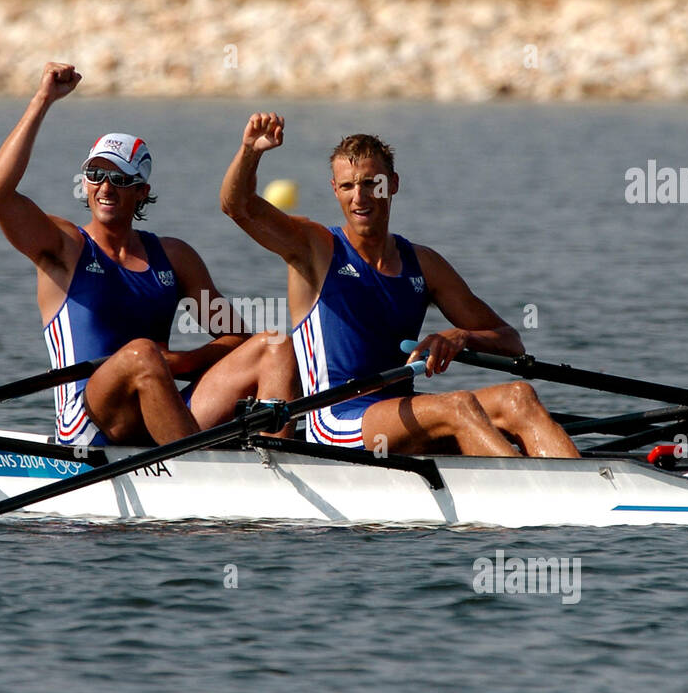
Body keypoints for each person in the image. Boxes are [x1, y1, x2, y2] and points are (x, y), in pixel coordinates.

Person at [219, 112, 580, 457]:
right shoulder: (313, 247)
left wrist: (462, 336)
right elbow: (237, 207)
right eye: (347, 186)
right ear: (335, 190)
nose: (358, 197)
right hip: (336, 420)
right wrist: (250, 152)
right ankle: (528, 492)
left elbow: (510, 341)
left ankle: (584, 492)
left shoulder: (423, 264)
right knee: (457, 406)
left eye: (369, 183)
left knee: (519, 396)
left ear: (392, 183)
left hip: (400, 415)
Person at [0, 64, 296, 447]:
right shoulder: (63, 247)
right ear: (85, 184)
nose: (105, 187)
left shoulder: (175, 257)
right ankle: (195, 470)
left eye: (120, 179)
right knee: (142, 353)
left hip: (159, 408)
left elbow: (236, 338)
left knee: (275, 344)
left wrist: (182, 362)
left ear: (142, 192)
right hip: (89, 422)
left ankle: (278, 461)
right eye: (96, 175)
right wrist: (42, 100)